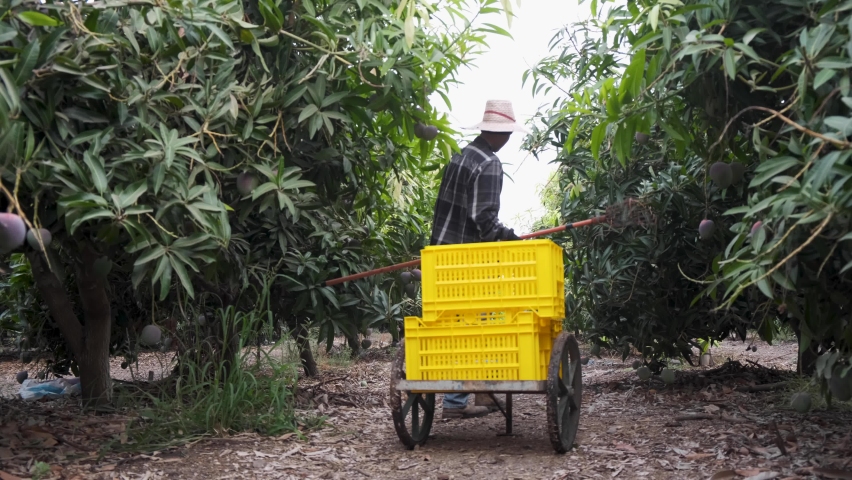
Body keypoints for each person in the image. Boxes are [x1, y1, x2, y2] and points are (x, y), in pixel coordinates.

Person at [428, 99, 528, 419]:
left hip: (441, 257)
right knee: (480, 324)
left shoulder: (459, 157)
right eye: (509, 133)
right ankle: (461, 400)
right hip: (467, 262)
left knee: (455, 325)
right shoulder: (489, 163)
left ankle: (476, 394)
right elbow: (484, 219)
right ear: (502, 134)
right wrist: (509, 237)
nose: (510, 138)